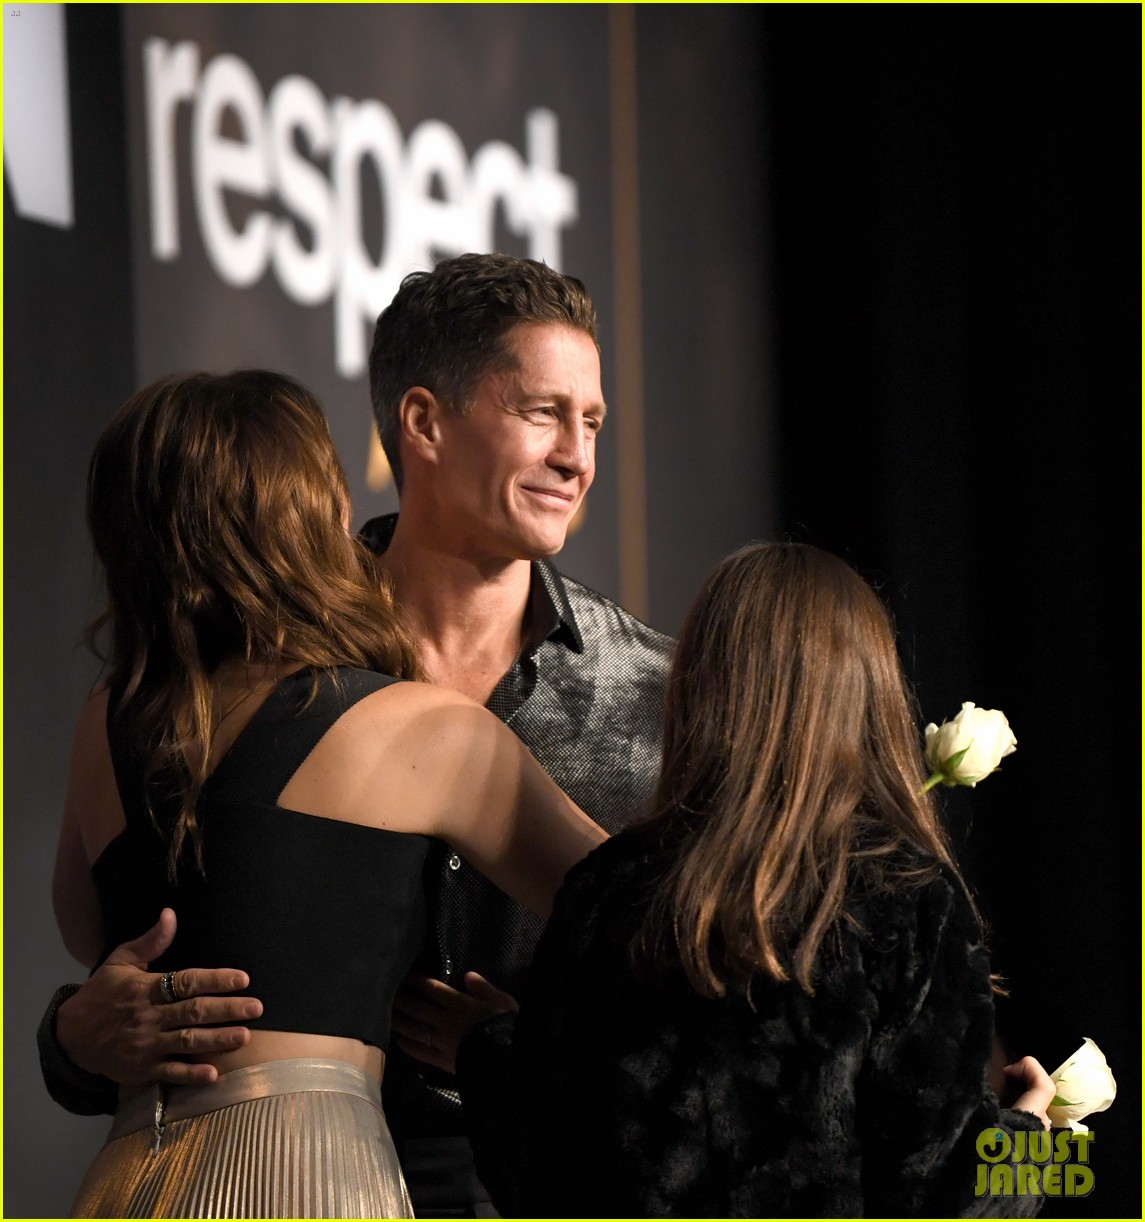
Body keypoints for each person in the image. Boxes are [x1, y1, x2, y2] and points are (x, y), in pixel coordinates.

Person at [39, 255, 673, 1215]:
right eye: (542, 413)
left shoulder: (656, 695)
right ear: (420, 423)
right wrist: (75, 1040)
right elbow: (125, 966)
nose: (576, 457)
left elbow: (705, 970)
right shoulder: (224, 687)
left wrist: (522, 1054)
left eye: (590, 423)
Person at [425, 543, 1056, 1217]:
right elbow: (945, 1202)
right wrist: (1038, 1147)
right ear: (868, 694)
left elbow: (543, 1185)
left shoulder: (605, 891)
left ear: (697, 681)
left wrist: (490, 1053)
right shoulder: (908, 899)